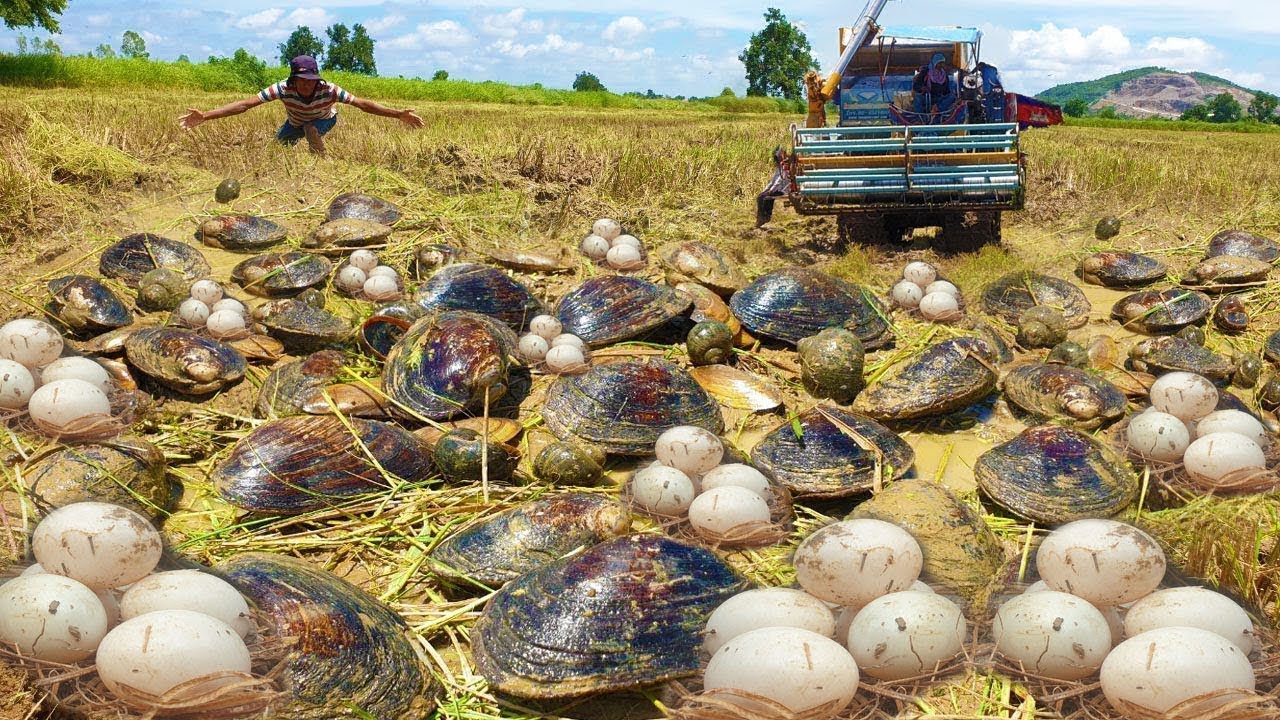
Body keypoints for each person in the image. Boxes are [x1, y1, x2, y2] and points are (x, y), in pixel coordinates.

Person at [178, 55, 425, 155]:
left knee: (311, 128)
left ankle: (320, 160)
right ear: (293, 79)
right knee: (276, 151)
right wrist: (206, 116)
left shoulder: (328, 89)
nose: (308, 86)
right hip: (294, 122)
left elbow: (363, 104)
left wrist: (397, 114)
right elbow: (245, 105)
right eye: (302, 81)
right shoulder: (282, 89)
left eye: (311, 81)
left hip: (324, 119)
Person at [912, 53, 956, 118]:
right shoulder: (925, 72)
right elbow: (915, 86)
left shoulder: (944, 75)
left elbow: (947, 91)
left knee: (951, 96)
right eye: (940, 63)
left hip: (938, 100)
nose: (941, 65)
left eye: (943, 63)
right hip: (926, 98)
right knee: (917, 98)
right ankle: (919, 118)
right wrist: (922, 88)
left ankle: (936, 111)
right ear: (935, 62)